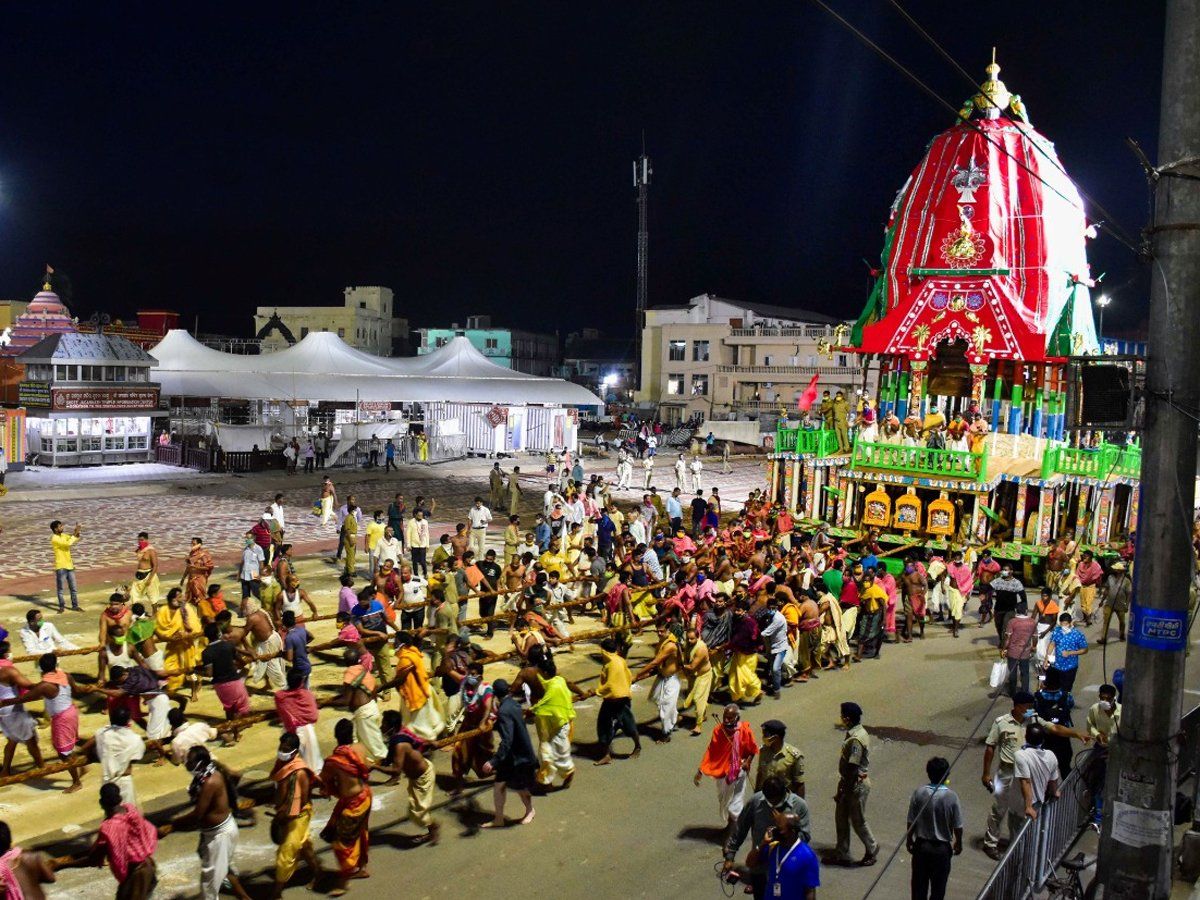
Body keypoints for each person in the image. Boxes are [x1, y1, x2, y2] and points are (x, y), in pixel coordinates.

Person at [164, 745, 250, 900]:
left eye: (189, 761)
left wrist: (173, 825)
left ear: (200, 763)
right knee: (216, 867)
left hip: (220, 836)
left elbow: (198, 814)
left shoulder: (210, 781)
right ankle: (241, 895)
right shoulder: (203, 776)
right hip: (211, 834)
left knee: (208, 884)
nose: (186, 764)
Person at [0, 653, 83, 792]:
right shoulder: (66, 675)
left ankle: (76, 781)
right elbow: (77, 690)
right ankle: (79, 767)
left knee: (63, 752)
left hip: (61, 718)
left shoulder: (45, 685)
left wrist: (5, 702)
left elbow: (23, 699)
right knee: (63, 746)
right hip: (71, 712)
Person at [61, 781, 158, 899]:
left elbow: (94, 859)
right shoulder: (131, 810)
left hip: (136, 876)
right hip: (149, 866)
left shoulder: (109, 828)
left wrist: (62, 865)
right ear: (120, 798)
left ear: (101, 803)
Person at [723, 775, 812, 900]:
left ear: (783, 793)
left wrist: (782, 825)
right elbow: (740, 828)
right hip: (760, 867)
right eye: (769, 801)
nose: (772, 805)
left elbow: (805, 837)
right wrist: (730, 856)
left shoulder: (799, 806)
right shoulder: (756, 801)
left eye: (775, 801)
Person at [320, 718, 374, 894]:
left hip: (354, 803)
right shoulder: (360, 748)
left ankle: (344, 881)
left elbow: (323, 779)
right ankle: (362, 868)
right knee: (361, 832)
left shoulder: (333, 760)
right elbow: (365, 767)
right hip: (366, 796)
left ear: (336, 736)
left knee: (341, 842)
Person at [825, 701, 878, 867]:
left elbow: (853, 767)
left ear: (847, 718)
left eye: (842, 715)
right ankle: (842, 852)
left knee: (858, 820)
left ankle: (872, 847)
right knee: (841, 818)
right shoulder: (856, 732)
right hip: (849, 782)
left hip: (855, 784)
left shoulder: (856, 739)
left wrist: (843, 790)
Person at [981, 691, 1033, 859]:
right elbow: (990, 747)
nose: (1029, 710)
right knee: (999, 809)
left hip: (1023, 774)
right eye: (1027, 707)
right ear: (1017, 706)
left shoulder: (1032, 720)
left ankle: (1014, 844)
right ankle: (990, 844)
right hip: (1006, 772)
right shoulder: (1001, 723)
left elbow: (1050, 727)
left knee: (1018, 811)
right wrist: (986, 774)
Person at [268, 732, 320, 897]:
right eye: (281, 748)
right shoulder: (281, 764)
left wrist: (283, 815)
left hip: (297, 816)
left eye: (286, 749)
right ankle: (319, 873)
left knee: (286, 853)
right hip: (286, 814)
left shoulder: (300, 772)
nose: (282, 751)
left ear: (295, 751)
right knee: (304, 848)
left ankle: (276, 892)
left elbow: (301, 799)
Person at [376, 711, 440, 845]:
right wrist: (430, 742)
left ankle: (433, 828)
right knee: (416, 810)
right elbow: (419, 740)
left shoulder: (400, 745)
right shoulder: (402, 732)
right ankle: (430, 830)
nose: (381, 727)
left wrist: (374, 767)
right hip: (416, 777)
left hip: (423, 777)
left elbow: (396, 771)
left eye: (384, 724)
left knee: (418, 812)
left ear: (391, 726)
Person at [481, 678, 538, 827]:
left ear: (495, 694)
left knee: (521, 788)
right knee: (499, 785)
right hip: (515, 755)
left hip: (518, 757)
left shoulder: (504, 710)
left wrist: (493, 761)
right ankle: (498, 819)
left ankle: (530, 810)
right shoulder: (513, 704)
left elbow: (507, 739)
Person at [695, 704, 759, 834]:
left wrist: (747, 761)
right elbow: (711, 750)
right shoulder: (718, 730)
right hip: (722, 772)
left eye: (730, 718)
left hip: (738, 770)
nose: (726, 720)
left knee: (736, 800)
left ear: (737, 717)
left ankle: (733, 832)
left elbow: (752, 749)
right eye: (725, 717)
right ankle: (731, 824)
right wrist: (701, 770)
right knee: (723, 798)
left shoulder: (744, 730)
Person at [907, 756, 963, 900]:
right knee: (938, 890)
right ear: (946, 775)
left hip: (921, 847)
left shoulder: (919, 793)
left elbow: (911, 821)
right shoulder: (951, 797)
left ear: (928, 773)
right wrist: (959, 842)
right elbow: (958, 825)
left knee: (919, 889)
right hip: (941, 850)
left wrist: (909, 839)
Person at [750, 808, 821, 900]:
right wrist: (763, 843)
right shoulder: (773, 847)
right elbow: (750, 863)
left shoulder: (807, 856)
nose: (775, 831)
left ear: (792, 831)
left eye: (779, 828)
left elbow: (810, 891)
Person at [595, 638, 641, 765]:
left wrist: (597, 691)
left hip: (619, 700)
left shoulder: (613, 664)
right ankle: (607, 754)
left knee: (628, 724)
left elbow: (611, 685)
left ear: (604, 651)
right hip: (616, 698)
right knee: (604, 725)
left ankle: (637, 746)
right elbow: (628, 677)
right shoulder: (619, 660)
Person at [1009, 723, 1060, 830]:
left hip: (1020, 810)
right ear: (1042, 740)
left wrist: (1028, 807)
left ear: (1026, 737)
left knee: (1017, 842)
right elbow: (1053, 780)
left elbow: (1025, 782)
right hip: (1038, 807)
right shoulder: (1051, 755)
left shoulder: (1021, 755)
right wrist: (1055, 791)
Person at [636, 622, 681, 742]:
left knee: (665, 709)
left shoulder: (670, 645)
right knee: (655, 698)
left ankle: (666, 734)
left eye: (662, 631)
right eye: (658, 631)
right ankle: (674, 715)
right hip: (662, 677)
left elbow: (655, 662)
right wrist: (642, 676)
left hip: (672, 679)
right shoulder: (662, 642)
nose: (659, 633)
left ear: (669, 631)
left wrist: (636, 675)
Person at [341, 649, 386, 762]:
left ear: (345, 661)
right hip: (372, 709)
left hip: (364, 713)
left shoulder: (350, 672)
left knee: (376, 747)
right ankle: (362, 762)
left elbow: (346, 700)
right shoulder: (365, 672)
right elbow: (374, 691)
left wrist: (325, 703)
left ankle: (390, 766)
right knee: (358, 738)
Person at [275, 669, 324, 771]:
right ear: (301, 682)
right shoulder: (307, 695)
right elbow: (313, 716)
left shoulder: (279, 696)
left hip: (288, 732)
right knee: (312, 762)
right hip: (306, 731)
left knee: (288, 759)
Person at [756, 719, 805, 797]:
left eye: (765, 735)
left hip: (784, 799)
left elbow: (799, 783)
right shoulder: (763, 751)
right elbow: (760, 774)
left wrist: (799, 806)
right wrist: (756, 794)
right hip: (765, 798)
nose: (763, 737)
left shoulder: (794, 756)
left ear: (775, 737)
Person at [999, 603, 1038, 697]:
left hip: (1013, 652)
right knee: (1025, 672)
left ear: (1016, 611)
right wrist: (1033, 647)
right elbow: (1035, 637)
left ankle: (1012, 692)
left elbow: (1008, 638)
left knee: (1012, 672)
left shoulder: (1012, 622)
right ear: (1026, 611)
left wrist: (1004, 649)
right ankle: (1025, 692)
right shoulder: (1032, 622)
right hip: (1025, 652)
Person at [681, 623, 714, 736]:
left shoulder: (701, 648)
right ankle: (703, 714)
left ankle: (698, 725)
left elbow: (692, 666)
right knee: (696, 697)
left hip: (703, 675)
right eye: (688, 638)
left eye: (692, 639)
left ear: (698, 637)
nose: (689, 641)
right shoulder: (687, 644)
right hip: (693, 676)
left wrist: (679, 665)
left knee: (697, 698)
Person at [1048, 612, 1089, 694]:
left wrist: (1070, 653)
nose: (1064, 626)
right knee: (1054, 687)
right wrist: (1047, 659)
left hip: (1070, 667)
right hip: (1056, 665)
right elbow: (1052, 644)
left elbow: (1085, 649)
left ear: (1070, 623)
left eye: (1066, 624)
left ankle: (1063, 704)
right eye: (1062, 624)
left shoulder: (1078, 635)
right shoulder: (1057, 631)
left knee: (1066, 690)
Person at [50, 519, 83, 612]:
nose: (62, 527)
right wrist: (75, 533)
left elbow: (74, 537)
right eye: (60, 526)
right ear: (55, 529)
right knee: (60, 589)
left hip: (69, 565)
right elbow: (68, 543)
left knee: (73, 588)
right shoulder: (54, 538)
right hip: (60, 566)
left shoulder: (64, 535)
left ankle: (75, 606)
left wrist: (77, 530)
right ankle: (61, 607)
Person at [1098, 560, 1132, 644]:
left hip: (1120, 604)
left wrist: (1126, 605)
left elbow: (1129, 594)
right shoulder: (1110, 577)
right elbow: (1106, 590)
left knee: (1122, 622)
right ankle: (1103, 638)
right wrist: (1102, 600)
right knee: (1106, 620)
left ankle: (1121, 635)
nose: (1115, 570)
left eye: (1117, 569)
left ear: (1120, 571)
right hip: (1109, 603)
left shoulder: (1127, 581)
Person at [129, 531, 161, 608]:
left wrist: (150, 579)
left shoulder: (151, 551)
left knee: (153, 595)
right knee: (134, 594)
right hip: (139, 574)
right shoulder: (139, 550)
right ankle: (136, 612)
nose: (140, 542)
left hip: (149, 574)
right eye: (139, 540)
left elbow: (155, 565)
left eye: (142, 540)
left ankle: (154, 613)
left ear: (147, 540)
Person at [1074, 550, 1105, 626]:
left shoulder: (1095, 565)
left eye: (1086, 556)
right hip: (1082, 586)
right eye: (1083, 556)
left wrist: (1100, 589)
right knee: (1083, 604)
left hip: (1091, 586)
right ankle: (1085, 618)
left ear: (1091, 557)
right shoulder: (1080, 564)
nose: (1084, 557)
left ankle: (1088, 620)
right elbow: (1077, 576)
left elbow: (1099, 577)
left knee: (1088, 604)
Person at [181, 537, 215, 606]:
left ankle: (203, 614)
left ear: (199, 544)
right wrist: (183, 578)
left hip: (199, 578)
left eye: (194, 544)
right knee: (191, 599)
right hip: (191, 579)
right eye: (192, 544)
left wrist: (195, 567)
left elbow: (208, 567)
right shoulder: (191, 554)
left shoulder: (204, 554)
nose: (192, 545)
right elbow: (188, 567)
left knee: (200, 598)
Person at [406, 509, 431, 578]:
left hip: (423, 544)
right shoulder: (411, 522)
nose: (421, 517)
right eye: (419, 516)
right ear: (415, 515)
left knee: (423, 561)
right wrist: (408, 544)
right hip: (414, 545)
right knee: (414, 561)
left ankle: (425, 573)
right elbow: (408, 534)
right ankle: (416, 575)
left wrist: (427, 545)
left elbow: (427, 533)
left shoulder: (425, 522)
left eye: (422, 516)